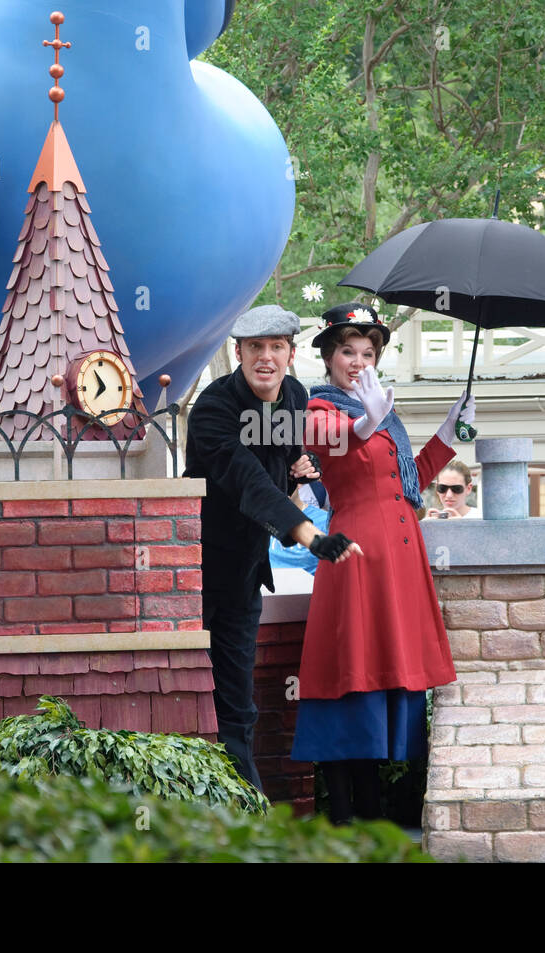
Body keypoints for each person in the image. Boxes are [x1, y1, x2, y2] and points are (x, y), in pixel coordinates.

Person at [291, 302, 474, 824]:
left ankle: (377, 809)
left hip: (399, 556)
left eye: (367, 352)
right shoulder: (317, 409)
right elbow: (329, 447)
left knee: (383, 673)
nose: (357, 360)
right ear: (328, 357)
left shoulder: (384, 413)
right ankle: (348, 815)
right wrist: (367, 420)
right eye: (347, 350)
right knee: (352, 669)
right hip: (356, 557)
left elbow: (408, 480)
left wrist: (449, 430)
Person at [184, 304, 361, 790]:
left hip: (245, 569)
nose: (266, 357)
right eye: (255, 347)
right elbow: (248, 484)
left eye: (276, 347)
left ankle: (243, 809)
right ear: (238, 353)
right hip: (192, 570)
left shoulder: (295, 398)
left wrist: (296, 471)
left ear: (291, 353)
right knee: (182, 690)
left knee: (239, 701)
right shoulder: (213, 409)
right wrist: (311, 536)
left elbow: (276, 472)